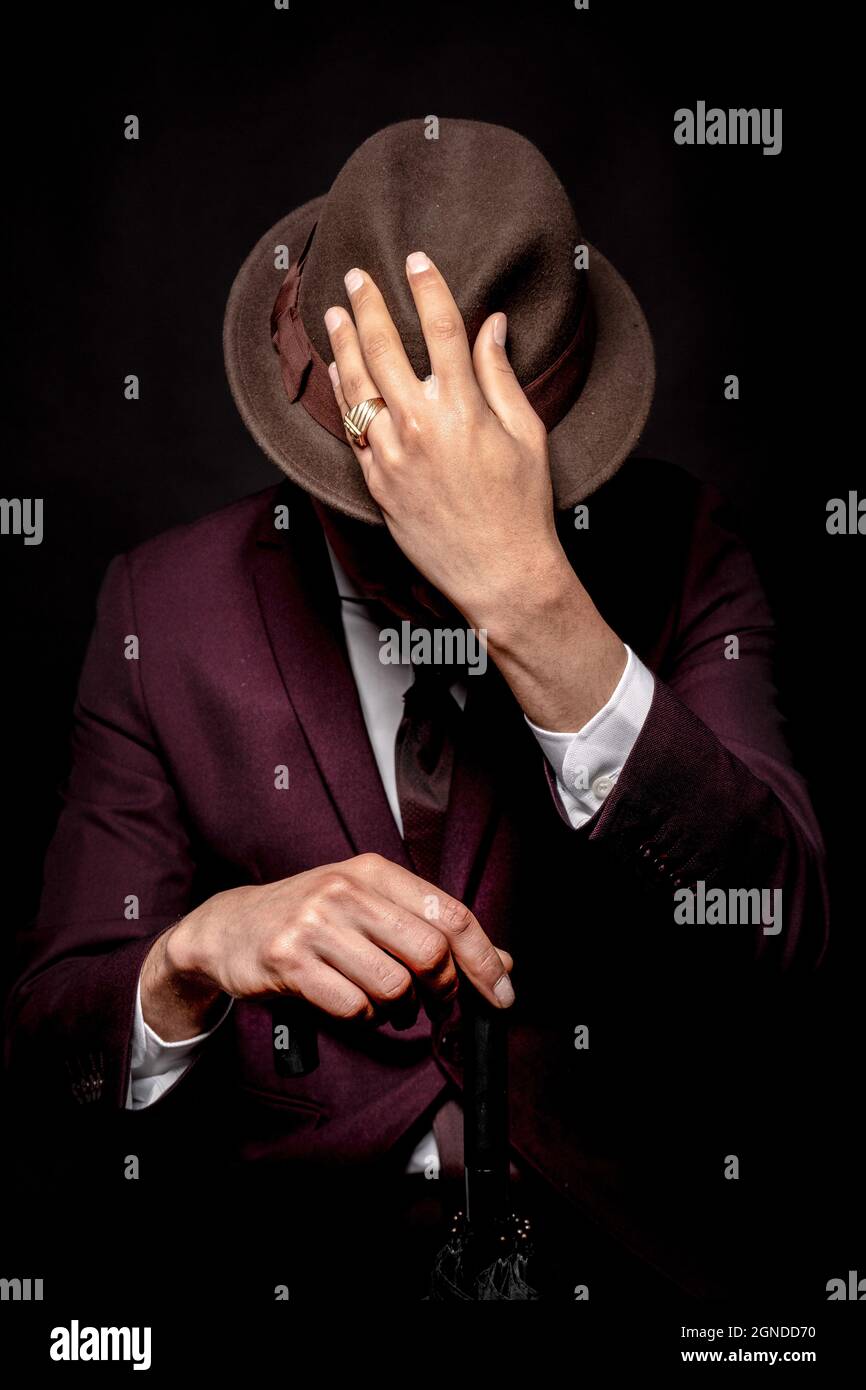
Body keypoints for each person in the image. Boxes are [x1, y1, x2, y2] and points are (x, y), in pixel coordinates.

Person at [6, 118, 828, 1301]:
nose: (424, 549)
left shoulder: (685, 548)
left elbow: (782, 939)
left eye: (459, 502)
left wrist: (530, 597)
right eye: (383, 507)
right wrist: (192, 953)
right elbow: (48, 1045)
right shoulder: (163, 607)